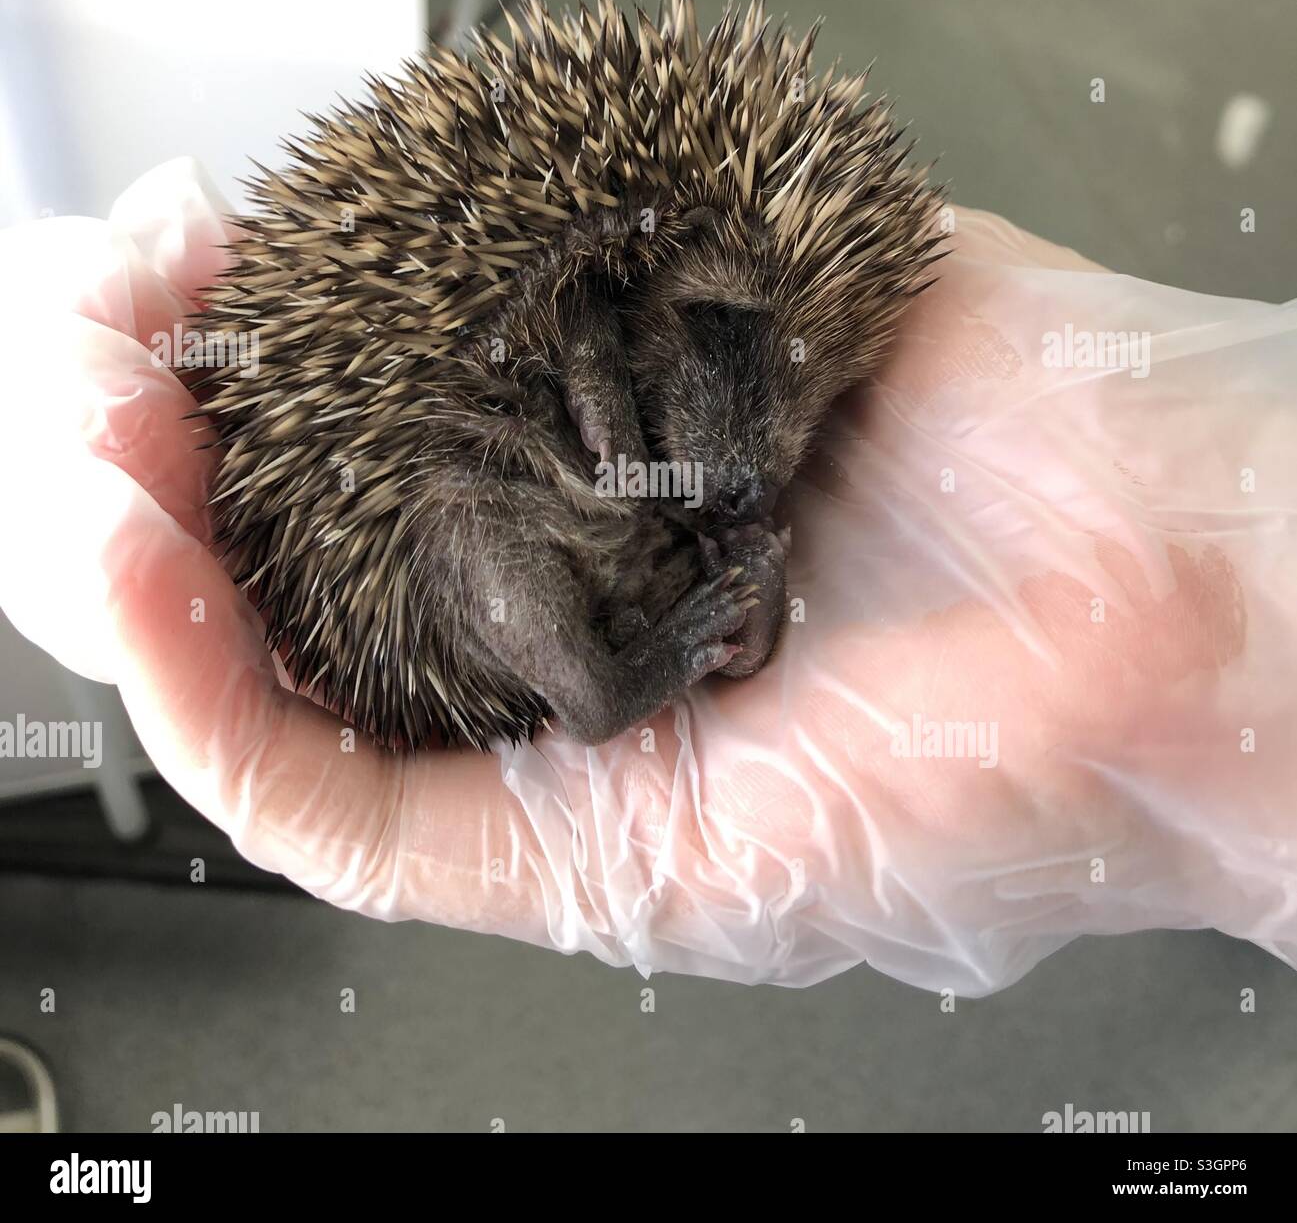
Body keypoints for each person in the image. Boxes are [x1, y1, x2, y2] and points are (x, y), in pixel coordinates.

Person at [1, 157, 1293, 994]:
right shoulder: (577, 280)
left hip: (520, 531)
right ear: (644, 263)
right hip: (451, 499)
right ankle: (616, 664)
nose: (766, 455)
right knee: (485, 507)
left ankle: (621, 653)